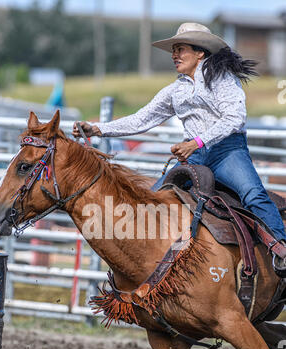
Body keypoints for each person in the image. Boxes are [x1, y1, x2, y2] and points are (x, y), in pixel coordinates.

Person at [72, 22, 286, 276]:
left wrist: (195, 142)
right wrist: (98, 129)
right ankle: (144, 265)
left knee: (252, 194)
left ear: (200, 52)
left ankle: (280, 249)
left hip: (227, 152)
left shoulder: (223, 79)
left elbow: (234, 118)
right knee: (151, 202)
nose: (174, 55)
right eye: (174, 50)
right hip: (195, 156)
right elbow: (142, 119)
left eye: (180, 49)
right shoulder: (176, 90)